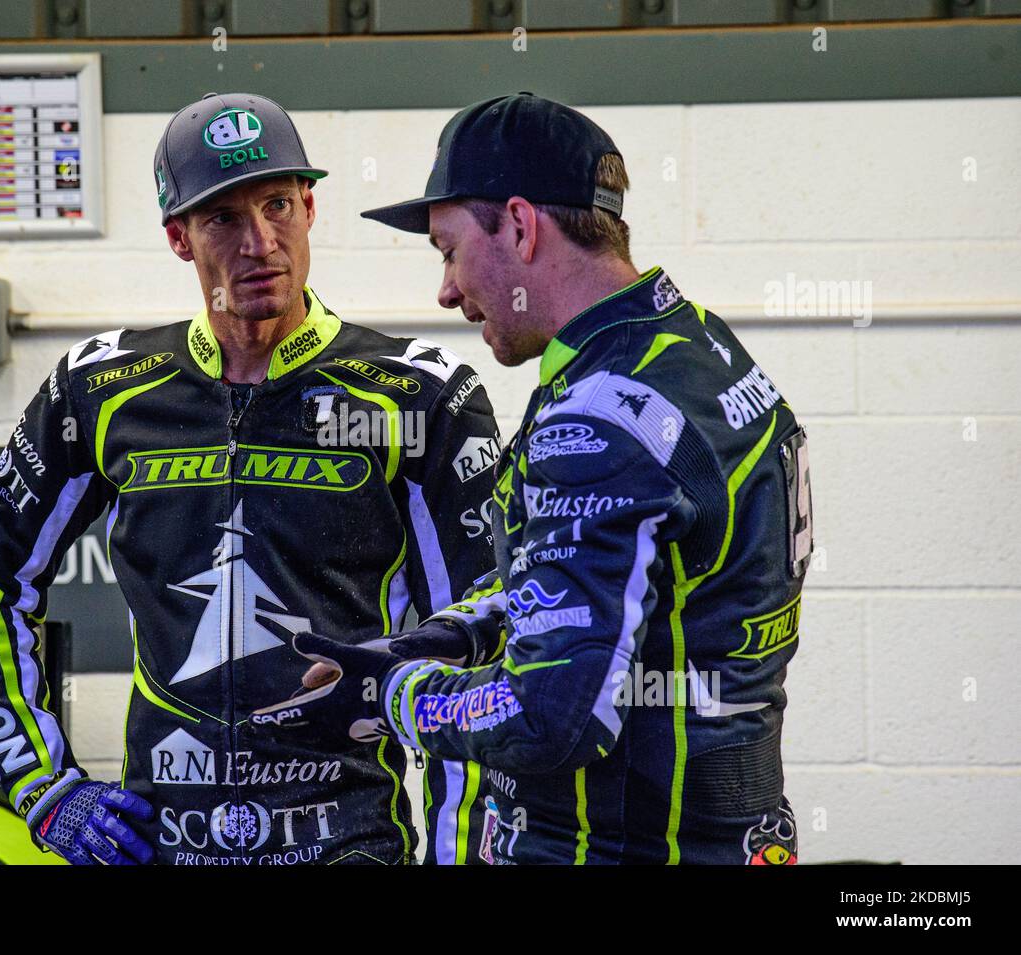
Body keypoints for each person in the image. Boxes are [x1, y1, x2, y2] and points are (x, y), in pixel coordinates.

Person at [251, 93, 812, 865]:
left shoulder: (598, 425)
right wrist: (448, 635)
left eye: (448, 251)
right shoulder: (696, 351)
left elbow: (551, 718)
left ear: (519, 224)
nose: (446, 291)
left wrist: (389, 695)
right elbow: (609, 595)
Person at [0, 92, 502, 865]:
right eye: (223, 219)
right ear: (180, 238)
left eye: (279, 205)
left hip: (351, 845)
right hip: (162, 846)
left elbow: (480, 643)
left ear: (312, 208)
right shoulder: (100, 388)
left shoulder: (420, 393)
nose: (260, 243)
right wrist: (43, 786)